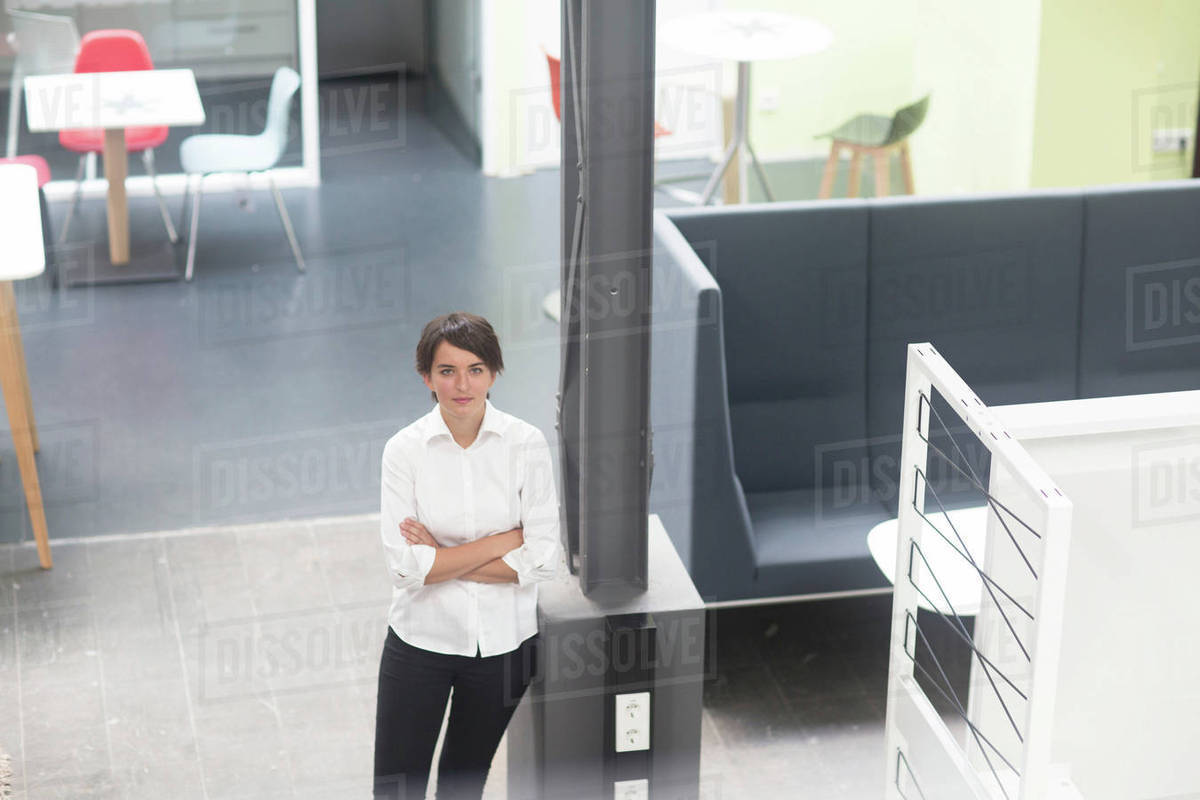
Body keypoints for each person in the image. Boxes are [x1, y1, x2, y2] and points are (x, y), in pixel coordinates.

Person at [373, 311, 562, 800]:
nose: (462, 384)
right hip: (419, 644)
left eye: (476, 369)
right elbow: (407, 570)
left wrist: (443, 557)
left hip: (505, 649)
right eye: (447, 371)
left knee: (463, 787)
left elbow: (542, 561)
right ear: (426, 377)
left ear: (494, 374)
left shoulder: (526, 445)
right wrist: (504, 542)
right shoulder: (404, 451)